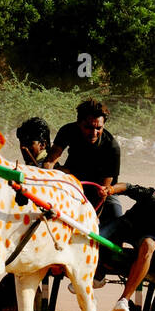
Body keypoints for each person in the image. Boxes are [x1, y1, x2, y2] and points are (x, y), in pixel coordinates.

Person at [41, 98, 122, 230]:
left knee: (116, 219)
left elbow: (103, 191)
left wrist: (90, 218)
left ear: (104, 125)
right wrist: (45, 185)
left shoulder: (112, 147)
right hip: (72, 181)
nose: (94, 133)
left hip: (101, 193)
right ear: (78, 123)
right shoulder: (67, 130)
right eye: (88, 127)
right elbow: (49, 161)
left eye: (99, 128)